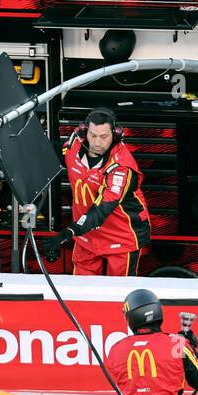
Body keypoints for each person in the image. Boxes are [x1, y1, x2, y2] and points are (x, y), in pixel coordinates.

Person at [44, 108, 152, 275]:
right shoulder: (74, 144)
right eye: (93, 135)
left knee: (118, 295)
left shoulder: (122, 167)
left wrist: (66, 233)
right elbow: (56, 151)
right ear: (85, 131)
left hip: (121, 239)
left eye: (104, 137)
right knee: (80, 293)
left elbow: (102, 210)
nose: (97, 142)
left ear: (115, 135)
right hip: (86, 237)